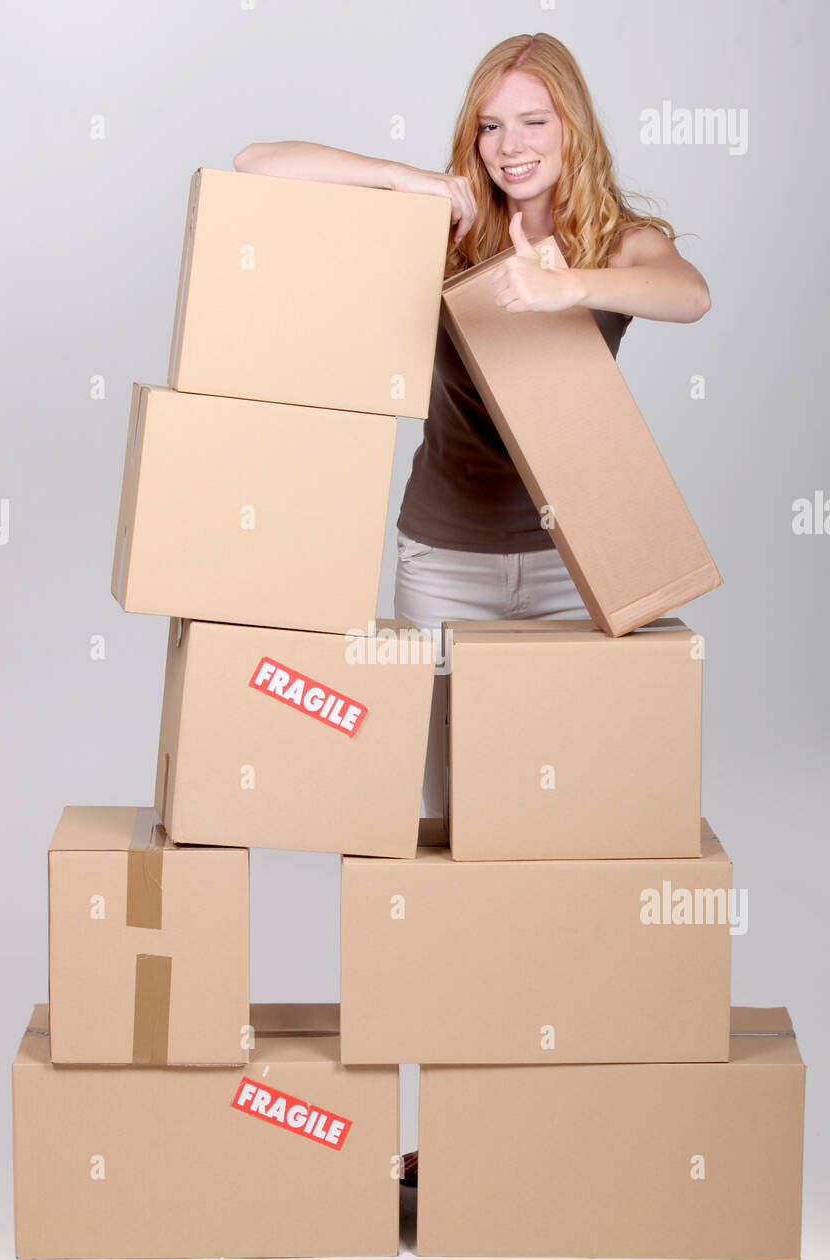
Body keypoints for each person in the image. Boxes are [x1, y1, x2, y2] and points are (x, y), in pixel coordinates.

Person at [234, 31, 711, 822]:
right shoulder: (450, 227)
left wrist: (562, 288)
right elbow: (255, 162)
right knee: (444, 806)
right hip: (444, 557)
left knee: (557, 804)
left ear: (574, 129)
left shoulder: (617, 241)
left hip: (575, 562)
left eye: (534, 121)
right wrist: (402, 178)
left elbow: (689, 294)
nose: (509, 147)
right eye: (490, 126)